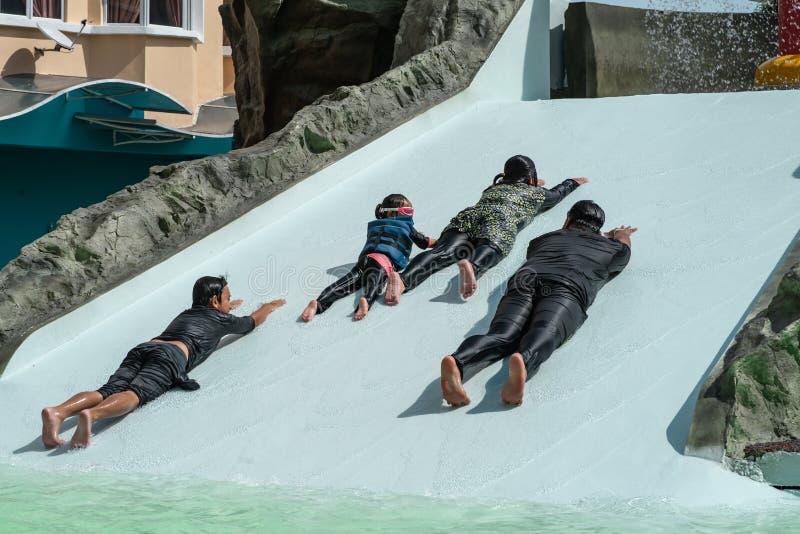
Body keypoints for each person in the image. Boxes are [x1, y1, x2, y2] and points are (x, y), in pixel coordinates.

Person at [40, 276, 286, 449]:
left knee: (107, 390)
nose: (228, 304)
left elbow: (210, 315)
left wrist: (227, 306)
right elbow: (251, 322)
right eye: (226, 299)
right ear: (214, 302)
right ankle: (92, 415)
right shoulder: (222, 320)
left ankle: (58, 412)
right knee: (135, 393)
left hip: (144, 348)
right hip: (171, 356)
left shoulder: (186, 313)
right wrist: (268, 306)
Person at [439, 200, 636, 407]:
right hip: (567, 288)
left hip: (525, 280)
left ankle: (458, 361)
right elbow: (624, 252)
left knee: (502, 334)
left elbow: (533, 253)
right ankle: (523, 361)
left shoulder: (542, 239)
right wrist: (621, 234)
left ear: (568, 219)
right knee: (546, 329)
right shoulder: (611, 248)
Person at [385, 155, 587, 304]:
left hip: (469, 216)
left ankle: (402, 280)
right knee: (493, 244)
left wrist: (531, 184)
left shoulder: (492, 188)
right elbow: (556, 194)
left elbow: (516, 184)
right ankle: (472, 266)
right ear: (531, 178)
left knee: (440, 252)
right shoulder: (535, 194)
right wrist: (572, 182)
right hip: (500, 218)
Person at [301, 194, 436, 322]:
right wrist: (439, 242)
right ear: (391, 212)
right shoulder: (407, 226)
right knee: (375, 284)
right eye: (407, 211)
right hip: (382, 262)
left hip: (364, 260)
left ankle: (318, 303)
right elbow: (424, 241)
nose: (410, 214)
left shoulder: (376, 225)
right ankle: (366, 301)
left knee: (343, 284)